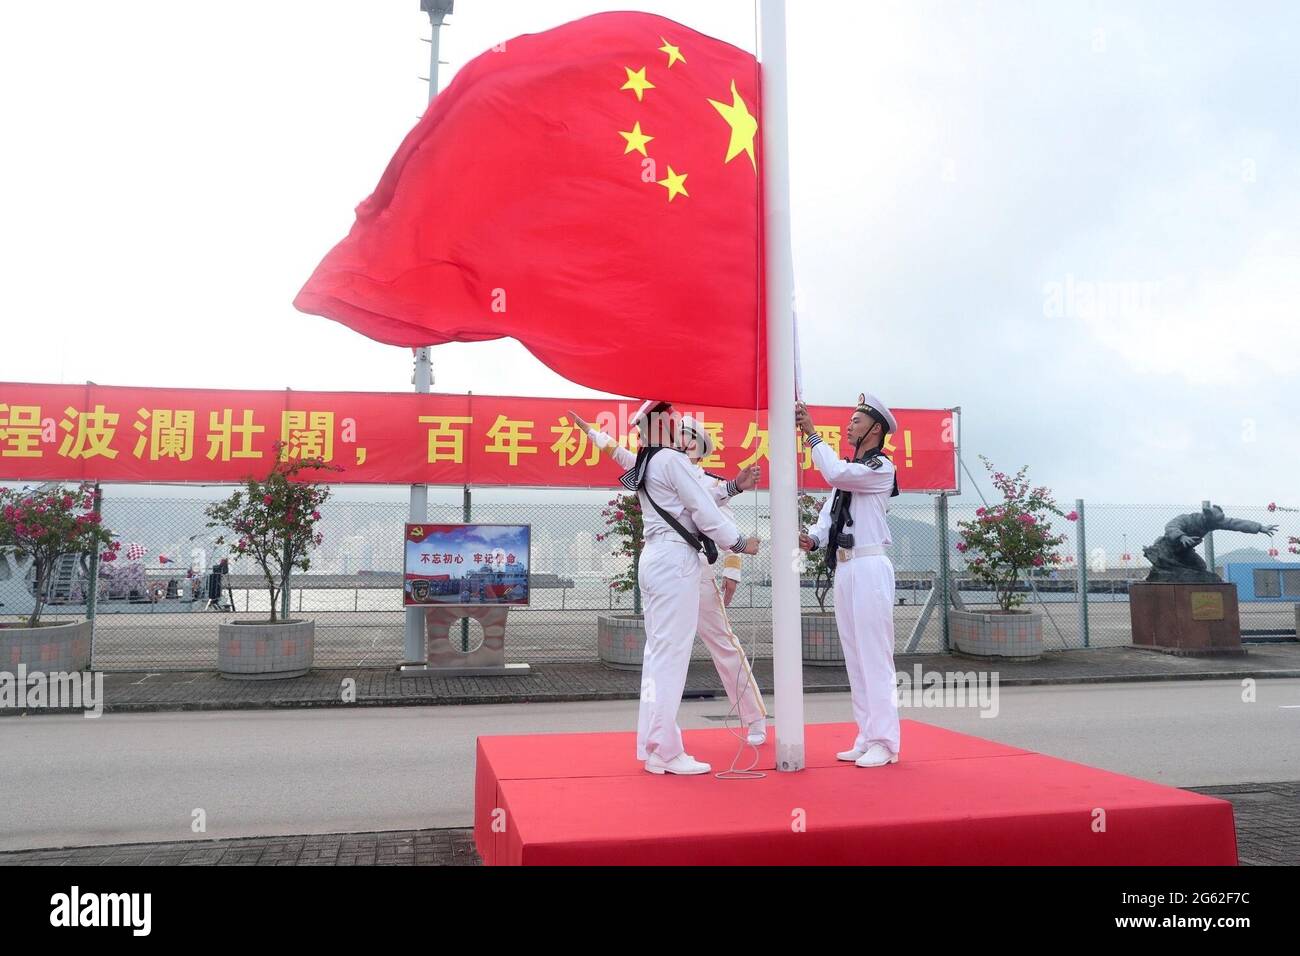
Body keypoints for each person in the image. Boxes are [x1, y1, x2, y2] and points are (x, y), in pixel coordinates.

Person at [571, 409, 769, 745]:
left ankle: (754, 719)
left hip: (698, 571)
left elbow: (720, 514)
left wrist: (732, 571)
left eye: (687, 435)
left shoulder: (707, 480)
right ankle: (661, 737)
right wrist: (592, 432)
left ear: (701, 447)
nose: (680, 438)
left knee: (720, 643)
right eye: (678, 433)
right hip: (674, 567)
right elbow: (621, 455)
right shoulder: (662, 465)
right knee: (666, 651)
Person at [796, 393, 900, 768]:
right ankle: (867, 734)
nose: (849, 425)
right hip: (846, 567)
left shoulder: (878, 469)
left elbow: (836, 473)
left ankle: (886, 741)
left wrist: (811, 435)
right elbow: (829, 516)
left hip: (870, 565)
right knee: (855, 657)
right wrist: (812, 538)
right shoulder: (852, 474)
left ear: (875, 429)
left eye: (856, 421)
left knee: (874, 656)